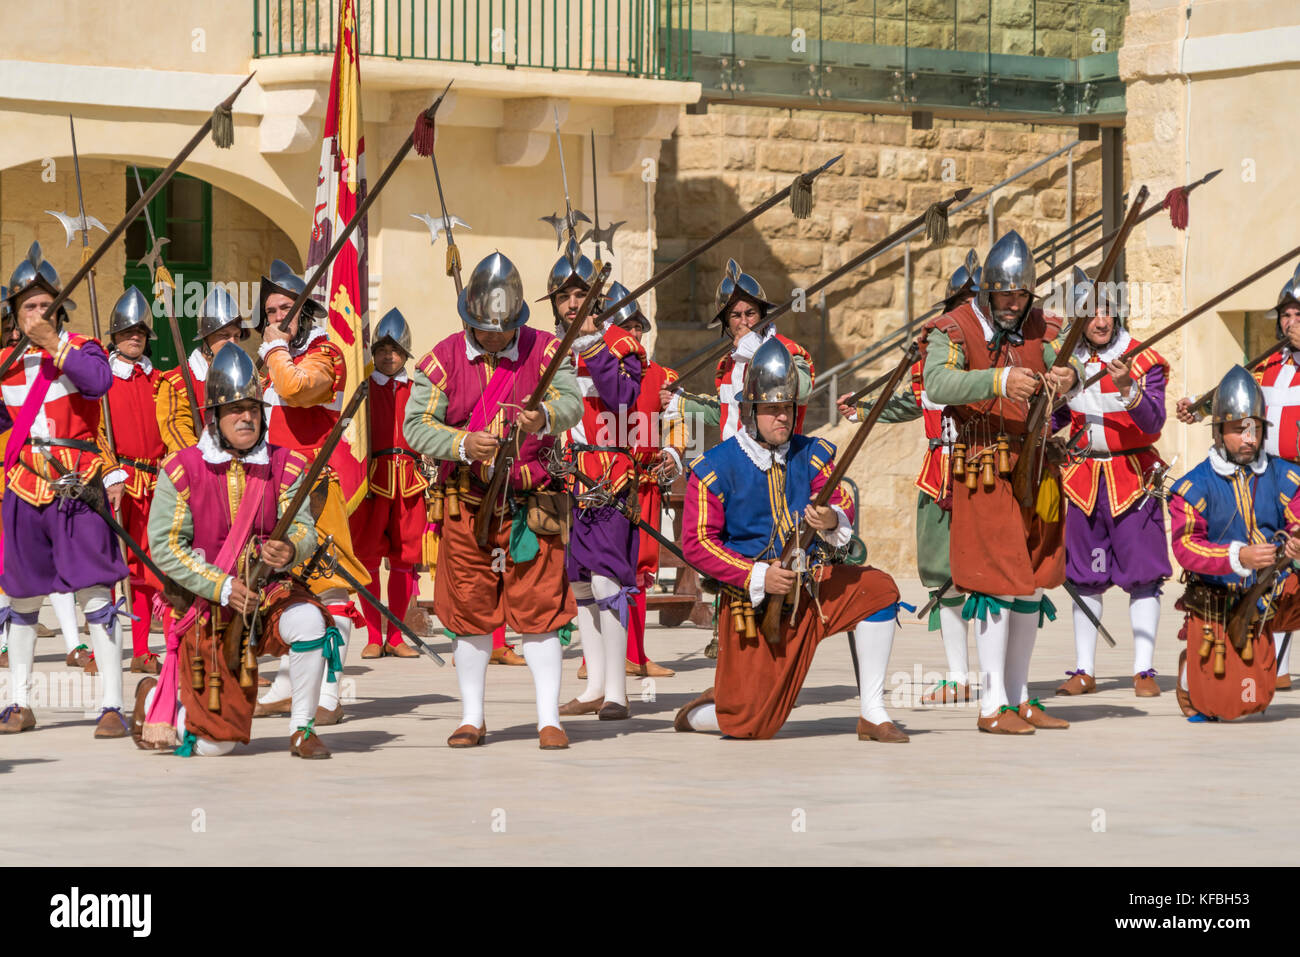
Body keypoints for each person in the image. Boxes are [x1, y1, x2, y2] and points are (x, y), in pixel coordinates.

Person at [674, 338, 906, 741]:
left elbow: (839, 501)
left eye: (787, 408)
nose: (782, 417)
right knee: (753, 725)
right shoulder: (713, 468)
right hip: (753, 604)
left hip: (813, 589)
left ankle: (873, 711)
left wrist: (832, 517)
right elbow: (698, 544)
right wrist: (759, 575)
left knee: (879, 589)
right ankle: (698, 714)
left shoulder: (813, 454)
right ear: (750, 410)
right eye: (771, 409)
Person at [404, 252, 582, 749]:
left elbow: (570, 401)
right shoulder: (441, 359)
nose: (496, 338)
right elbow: (414, 425)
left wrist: (542, 416)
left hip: (533, 501)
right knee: (469, 609)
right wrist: (462, 445)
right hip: (467, 501)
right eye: (486, 330)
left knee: (541, 608)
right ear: (469, 319)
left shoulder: (546, 350)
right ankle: (472, 717)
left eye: (503, 330)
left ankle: (550, 719)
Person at [140, 343, 334, 757]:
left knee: (310, 621)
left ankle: (302, 728)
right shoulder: (180, 470)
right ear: (214, 417)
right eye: (234, 410)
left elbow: (303, 529)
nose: (246, 417)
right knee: (216, 746)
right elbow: (166, 547)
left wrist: (292, 549)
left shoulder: (288, 464)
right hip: (208, 601)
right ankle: (162, 702)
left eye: (252, 408)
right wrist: (223, 587)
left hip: (267, 591)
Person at [919, 230, 1078, 734]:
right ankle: (991, 705)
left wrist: (1066, 378)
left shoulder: (1036, 326)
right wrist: (999, 381)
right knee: (996, 582)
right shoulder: (954, 327)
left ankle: (1020, 696)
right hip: (983, 464)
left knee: (1031, 582)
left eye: (1021, 296)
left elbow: (1061, 367)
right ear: (987, 292)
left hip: (1035, 466)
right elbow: (938, 384)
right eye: (1005, 296)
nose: (1014, 305)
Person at [837, 251, 983, 704]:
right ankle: (959, 676)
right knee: (942, 574)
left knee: (994, 571)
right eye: (961, 303)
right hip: (940, 472)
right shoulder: (928, 359)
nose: (967, 311)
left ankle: (1002, 677)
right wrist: (863, 408)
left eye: (975, 302)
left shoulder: (995, 354)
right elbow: (910, 403)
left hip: (987, 467)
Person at [0, 243, 130, 737]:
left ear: (58, 310)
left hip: (78, 488)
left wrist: (55, 342)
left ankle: (113, 705)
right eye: (27, 307)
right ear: (13, 315)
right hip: (24, 488)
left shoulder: (85, 349)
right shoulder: (5, 365)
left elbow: (98, 383)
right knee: (23, 597)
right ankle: (18, 703)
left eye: (43, 306)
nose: (35, 314)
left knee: (96, 592)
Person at [253, 260, 369, 726]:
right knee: (286, 589)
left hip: (315, 485)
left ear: (305, 312)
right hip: (273, 484)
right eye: (271, 311)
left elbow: (296, 388)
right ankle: (288, 686)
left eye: (287, 308)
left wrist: (275, 348)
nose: (278, 317)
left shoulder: (325, 354)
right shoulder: (274, 357)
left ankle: (329, 694)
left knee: (330, 587)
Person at [1175, 266, 1300, 688]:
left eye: (1299, 315)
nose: (1290, 323)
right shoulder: (1269, 366)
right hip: (1269, 475)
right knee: (1271, 569)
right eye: (1286, 314)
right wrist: (1202, 406)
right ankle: (1275, 668)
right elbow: (1240, 402)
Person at [1049, 269, 1171, 698]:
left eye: (1105, 311)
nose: (1099, 321)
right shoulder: (1067, 364)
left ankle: (1144, 670)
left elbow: (1154, 424)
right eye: (1089, 313)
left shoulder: (1144, 360)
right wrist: (1041, 424)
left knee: (1143, 576)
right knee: (1084, 576)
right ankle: (1084, 669)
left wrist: (1129, 390)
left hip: (1133, 479)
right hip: (1083, 480)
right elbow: (1061, 415)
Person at [541, 245, 644, 721]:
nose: (572, 303)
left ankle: (619, 691)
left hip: (610, 474)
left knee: (607, 577)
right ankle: (596, 686)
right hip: (566, 473)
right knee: (579, 583)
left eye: (581, 294)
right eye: (564, 296)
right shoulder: (547, 349)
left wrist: (593, 346)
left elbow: (623, 398)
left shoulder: (622, 343)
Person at [1167, 365, 1300, 721]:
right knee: (1224, 708)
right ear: (1218, 431)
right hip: (1216, 599)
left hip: (1269, 594)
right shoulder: (1193, 486)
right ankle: (1190, 670)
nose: (1250, 439)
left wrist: (1294, 545)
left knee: (1255, 700)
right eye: (1240, 429)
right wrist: (1238, 555)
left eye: (1255, 428)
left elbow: (1298, 518)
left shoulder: (1285, 474)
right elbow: (1185, 547)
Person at [606, 281, 684, 679]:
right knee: (605, 571)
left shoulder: (662, 376)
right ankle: (598, 659)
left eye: (638, 326)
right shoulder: (599, 373)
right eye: (625, 327)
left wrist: (671, 453)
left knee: (639, 570)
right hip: (608, 484)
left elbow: (678, 427)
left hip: (647, 485)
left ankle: (635, 654)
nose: (633, 333)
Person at [667, 259, 814, 441]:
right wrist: (681, 401)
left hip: (776, 457)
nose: (744, 322)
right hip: (734, 456)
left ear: (762, 314)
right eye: (736, 315)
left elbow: (804, 390)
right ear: (727, 323)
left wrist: (758, 353)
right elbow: (726, 411)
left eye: (750, 313)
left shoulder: (788, 351)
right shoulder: (728, 362)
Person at [348, 308, 423, 660]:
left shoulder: (419, 388)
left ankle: (397, 636)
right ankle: (374, 635)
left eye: (394, 351)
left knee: (405, 560)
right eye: (382, 350)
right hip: (371, 480)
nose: (388, 356)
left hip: (409, 480)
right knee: (367, 559)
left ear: (405, 353)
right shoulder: (362, 388)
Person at [102, 287, 167, 675]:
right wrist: (110, 471)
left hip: (155, 483)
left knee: (146, 570)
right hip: (115, 481)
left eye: (141, 332)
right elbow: (94, 432)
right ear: (115, 336)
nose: (135, 337)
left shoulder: (159, 381)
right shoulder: (102, 381)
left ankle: (142, 650)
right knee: (110, 570)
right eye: (128, 331)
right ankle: (103, 650)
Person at [155, 286, 247, 454]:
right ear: (206, 338)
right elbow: (177, 431)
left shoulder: (250, 378)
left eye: (237, 336)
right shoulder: (178, 381)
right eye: (224, 336)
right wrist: (199, 460)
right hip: (200, 470)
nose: (232, 342)